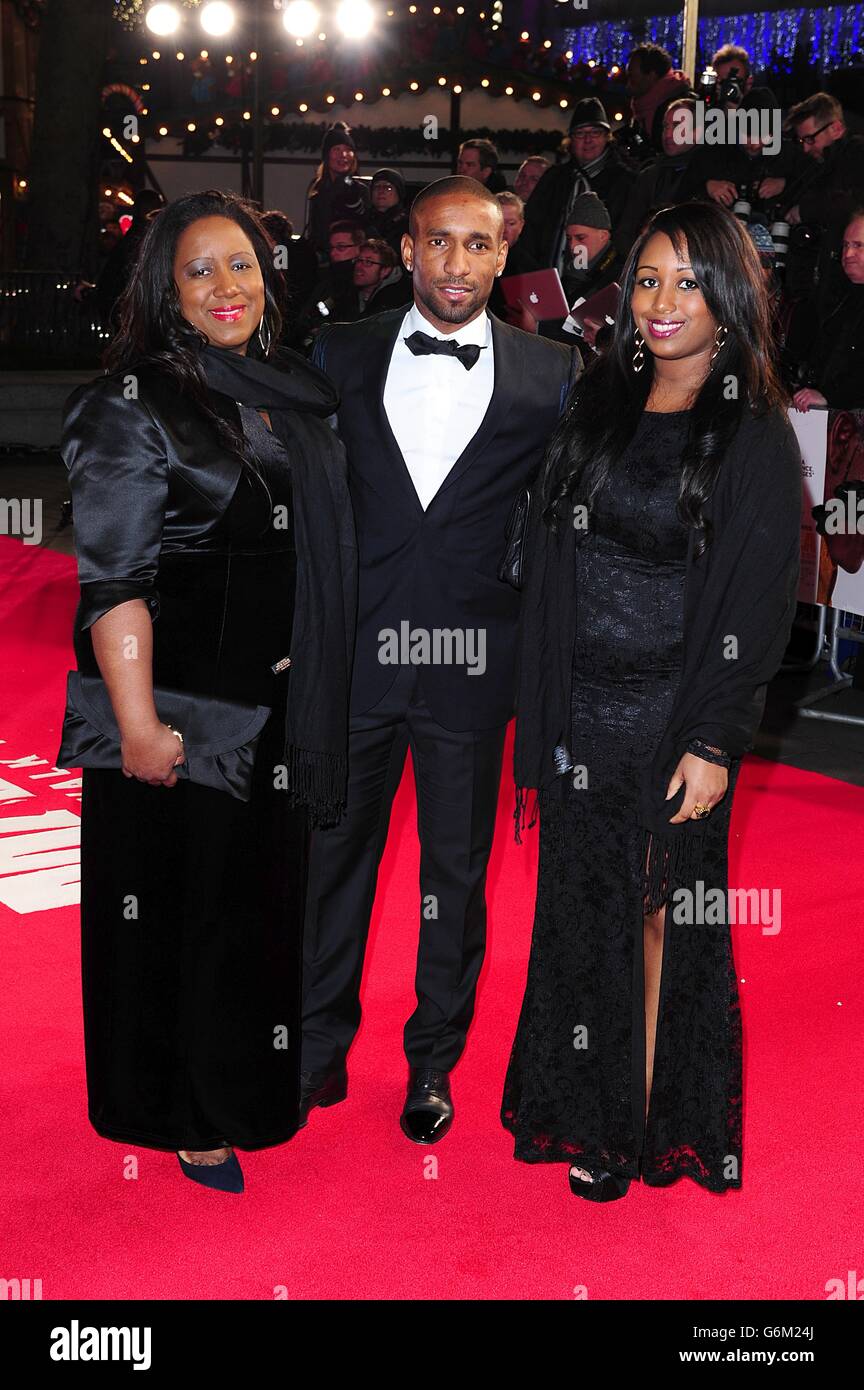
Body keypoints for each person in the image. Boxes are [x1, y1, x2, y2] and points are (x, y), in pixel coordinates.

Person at [502, 201, 801, 1200]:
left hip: (674, 717)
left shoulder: (752, 432)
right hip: (582, 709)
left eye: (686, 281)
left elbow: (759, 606)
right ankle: (590, 1111)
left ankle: (639, 1123)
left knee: (659, 915)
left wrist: (717, 739)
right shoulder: (600, 399)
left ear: (728, 297)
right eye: (645, 280)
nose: (662, 303)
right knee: (581, 915)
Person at [61, 190, 356, 1194]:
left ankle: (246, 1081)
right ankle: (185, 1113)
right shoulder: (132, 404)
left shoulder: (285, 386)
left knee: (253, 913)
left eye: (243, 264)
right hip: (182, 713)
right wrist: (140, 727)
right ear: (165, 289)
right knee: (176, 919)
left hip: (275, 707)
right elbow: (116, 583)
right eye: (200, 270)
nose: (227, 286)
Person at [301, 175, 581, 1145]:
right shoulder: (339, 352)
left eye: (477, 243)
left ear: (503, 255)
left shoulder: (553, 376)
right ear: (408, 250)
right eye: (438, 243)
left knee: (453, 882)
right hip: (356, 660)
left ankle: (433, 1063)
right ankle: (314, 1050)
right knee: (332, 864)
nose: (457, 263)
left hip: (473, 667)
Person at [520, 98, 637, 267]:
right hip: (549, 278)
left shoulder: (626, 182)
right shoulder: (554, 179)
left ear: (606, 137)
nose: (588, 139)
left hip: (601, 281)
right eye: (580, 133)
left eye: (595, 132)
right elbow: (530, 231)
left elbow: (625, 238)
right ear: (571, 140)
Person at [789, 207, 864, 412]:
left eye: (858, 246)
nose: (848, 254)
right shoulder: (842, 298)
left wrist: (831, 396)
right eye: (845, 245)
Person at [784, 93, 864, 234]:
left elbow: (854, 203)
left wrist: (806, 210)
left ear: (836, 129)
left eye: (810, 139)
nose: (805, 148)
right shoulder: (821, 163)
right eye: (801, 141)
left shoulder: (857, 153)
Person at [304, 122, 370, 261]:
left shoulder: (360, 189)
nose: (343, 155)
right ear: (327, 155)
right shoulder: (317, 189)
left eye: (348, 149)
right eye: (337, 149)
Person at [625, 43, 693, 155]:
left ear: (651, 75)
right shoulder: (645, 107)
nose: (628, 86)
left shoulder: (684, 106)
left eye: (632, 78)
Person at [352, 237, 412, 316]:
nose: (359, 266)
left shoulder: (395, 300)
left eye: (368, 262)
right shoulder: (349, 294)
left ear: (385, 271)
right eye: (359, 260)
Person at [365, 168, 410, 255]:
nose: (381, 191)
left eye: (388, 188)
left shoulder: (408, 224)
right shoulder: (363, 220)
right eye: (376, 187)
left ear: (399, 192)